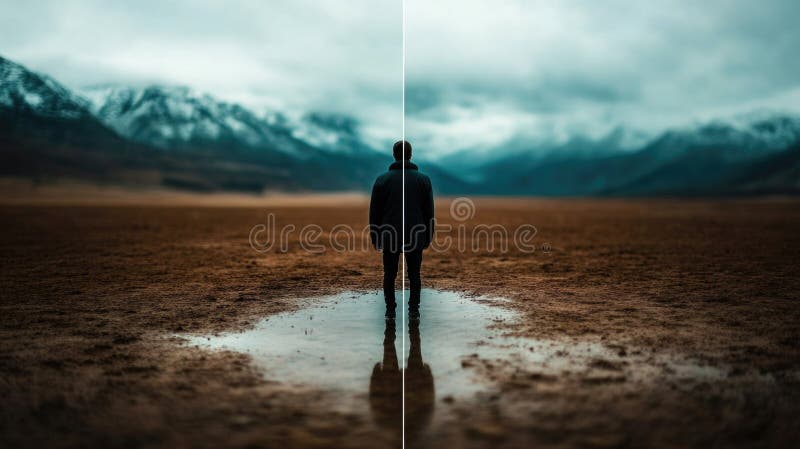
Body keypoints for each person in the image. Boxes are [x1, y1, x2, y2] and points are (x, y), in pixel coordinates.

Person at [369, 140, 434, 319]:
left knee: (389, 274)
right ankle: (414, 311)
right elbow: (429, 213)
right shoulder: (424, 180)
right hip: (416, 234)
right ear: (410, 155)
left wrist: (376, 236)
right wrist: (428, 236)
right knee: (414, 274)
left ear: (394, 155)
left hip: (389, 235)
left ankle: (390, 311)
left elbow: (374, 212)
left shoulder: (382, 180)